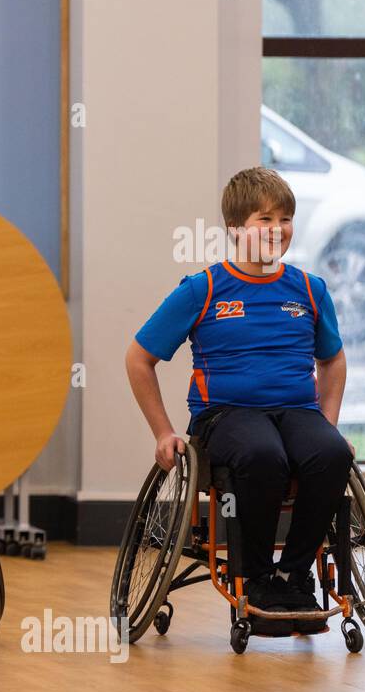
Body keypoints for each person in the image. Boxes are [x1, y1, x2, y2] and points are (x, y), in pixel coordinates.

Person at [125, 167, 351, 635]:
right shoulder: (203, 289)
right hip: (223, 416)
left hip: (296, 412)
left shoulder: (310, 289)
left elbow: (333, 361)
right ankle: (256, 578)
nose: (277, 229)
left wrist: (328, 423)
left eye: (285, 218)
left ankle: (293, 576)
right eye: (264, 218)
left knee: (330, 453)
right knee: (261, 454)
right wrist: (163, 432)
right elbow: (139, 358)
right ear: (234, 230)